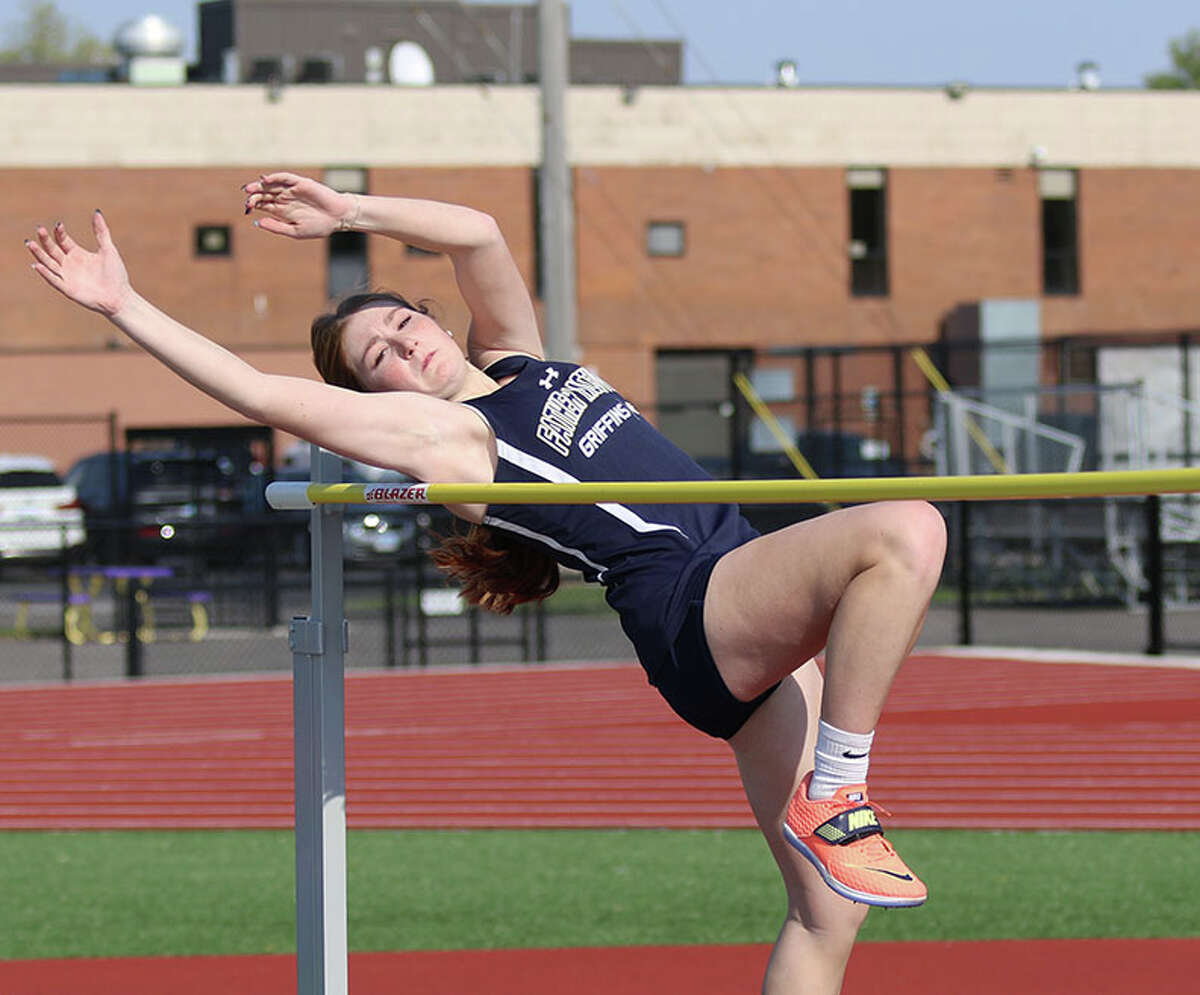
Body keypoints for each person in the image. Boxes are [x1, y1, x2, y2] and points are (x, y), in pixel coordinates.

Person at [26, 173, 946, 995]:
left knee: (827, 917)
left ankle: (836, 799)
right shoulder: (450, 443)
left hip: (731, 598)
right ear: (379, 399)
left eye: (403, 322)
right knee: (907, 529)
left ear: (432, 316)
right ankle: (840, 790)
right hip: (699, 600)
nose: (404, 345)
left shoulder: (517, 359)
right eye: (378, 357)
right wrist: (123, 304)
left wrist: (348, 211)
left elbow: (479, 233)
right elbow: (256, 391)